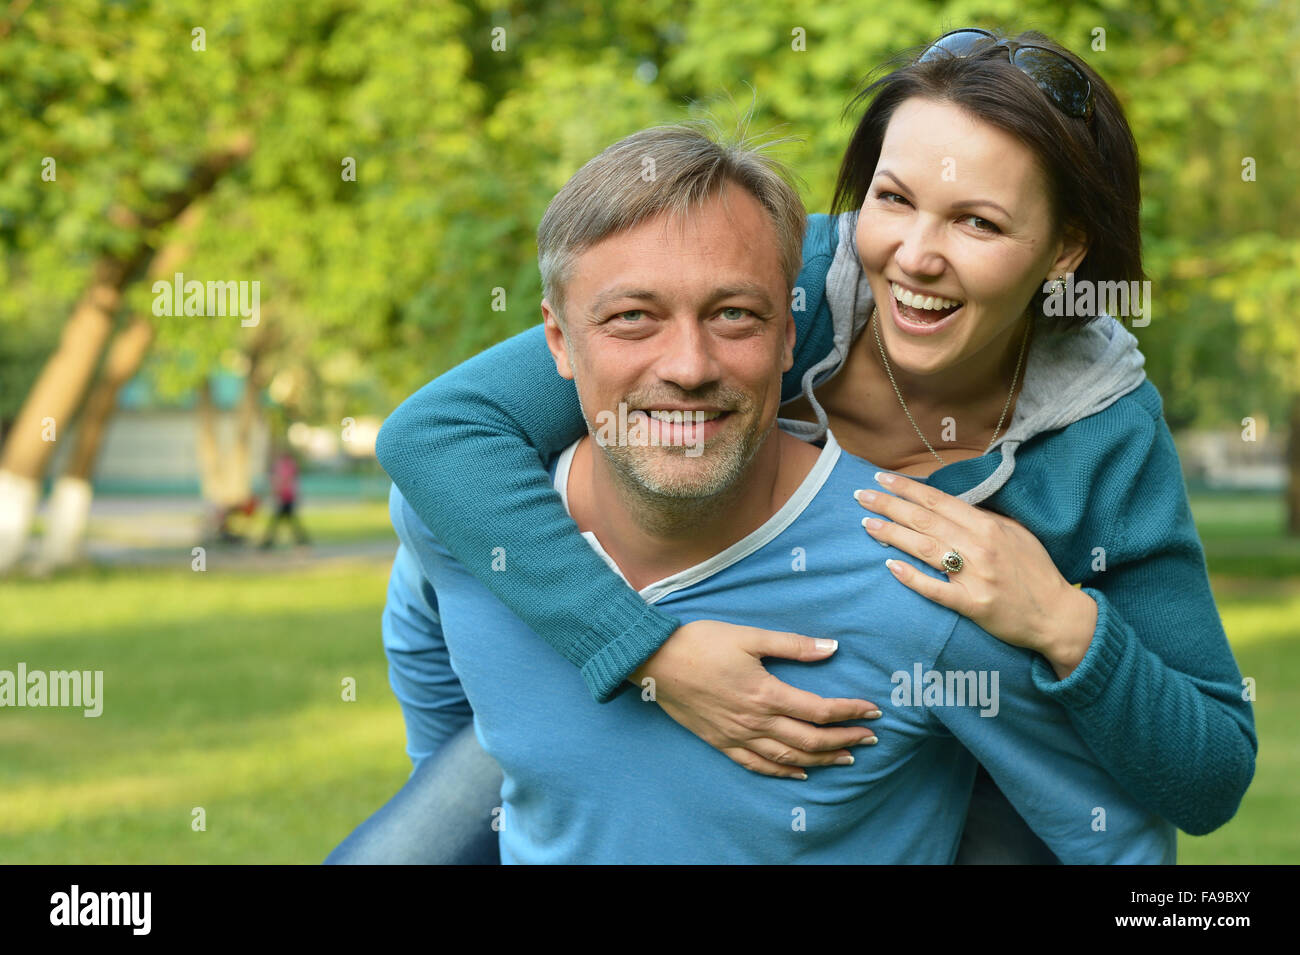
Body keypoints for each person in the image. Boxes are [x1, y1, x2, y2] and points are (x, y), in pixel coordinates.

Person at [365, 28, 1255, 863]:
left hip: (930, 754)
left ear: (1063, 250)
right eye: (893, 199)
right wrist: (648, 654)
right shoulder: (770, 277)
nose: (915, 255)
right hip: (609, 667)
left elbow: (1209, 772)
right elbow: (438, 444)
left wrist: (1062, 622)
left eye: (977, 222)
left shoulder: (1102, 433)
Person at [259, 449, 310, 548]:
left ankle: (267, 542)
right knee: (286, 521)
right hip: (285, 497)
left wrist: (277, 491)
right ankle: (302, 541)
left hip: (286, 497)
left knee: (279, 522)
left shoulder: (287, 465)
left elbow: (285, 481)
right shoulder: (282, 465)